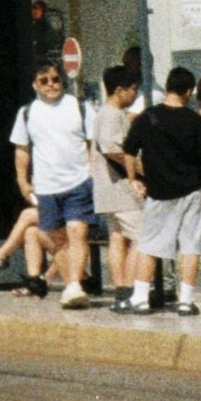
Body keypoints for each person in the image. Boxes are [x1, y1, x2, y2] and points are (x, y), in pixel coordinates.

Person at [112, 68, 201, 315]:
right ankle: (185, 300)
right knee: (191, 246)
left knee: (149, 245)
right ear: (189, 91)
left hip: (159, 192)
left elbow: (129, 150)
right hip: (192, 191)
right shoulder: (194, 120)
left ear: (166, 88)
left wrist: (132, 179)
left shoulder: (148, 117)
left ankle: (140, 298)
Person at [7, 63, 99, 308]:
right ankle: (73, 285)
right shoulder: (27, 113)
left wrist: (92, 172)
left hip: (78, 182)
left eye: (55, 79)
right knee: (58, 241)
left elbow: (93, 142)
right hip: (47, 187)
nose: (51, 85)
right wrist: (22, 181)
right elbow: (22, 149)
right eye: (44, 80)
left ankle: (75, 285)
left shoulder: (79, 107)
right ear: (35, 85)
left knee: (78, 232)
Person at [87, 67, 142, 301]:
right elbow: (113, 149)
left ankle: (121, 286)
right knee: (142, 236)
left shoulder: (107, 114)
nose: (134, 95)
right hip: (119, 187)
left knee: (118, 237)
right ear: (119, 90)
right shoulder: (111, 115)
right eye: (133, 90)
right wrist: (140, 171)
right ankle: (129, 286)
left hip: (107, 188)